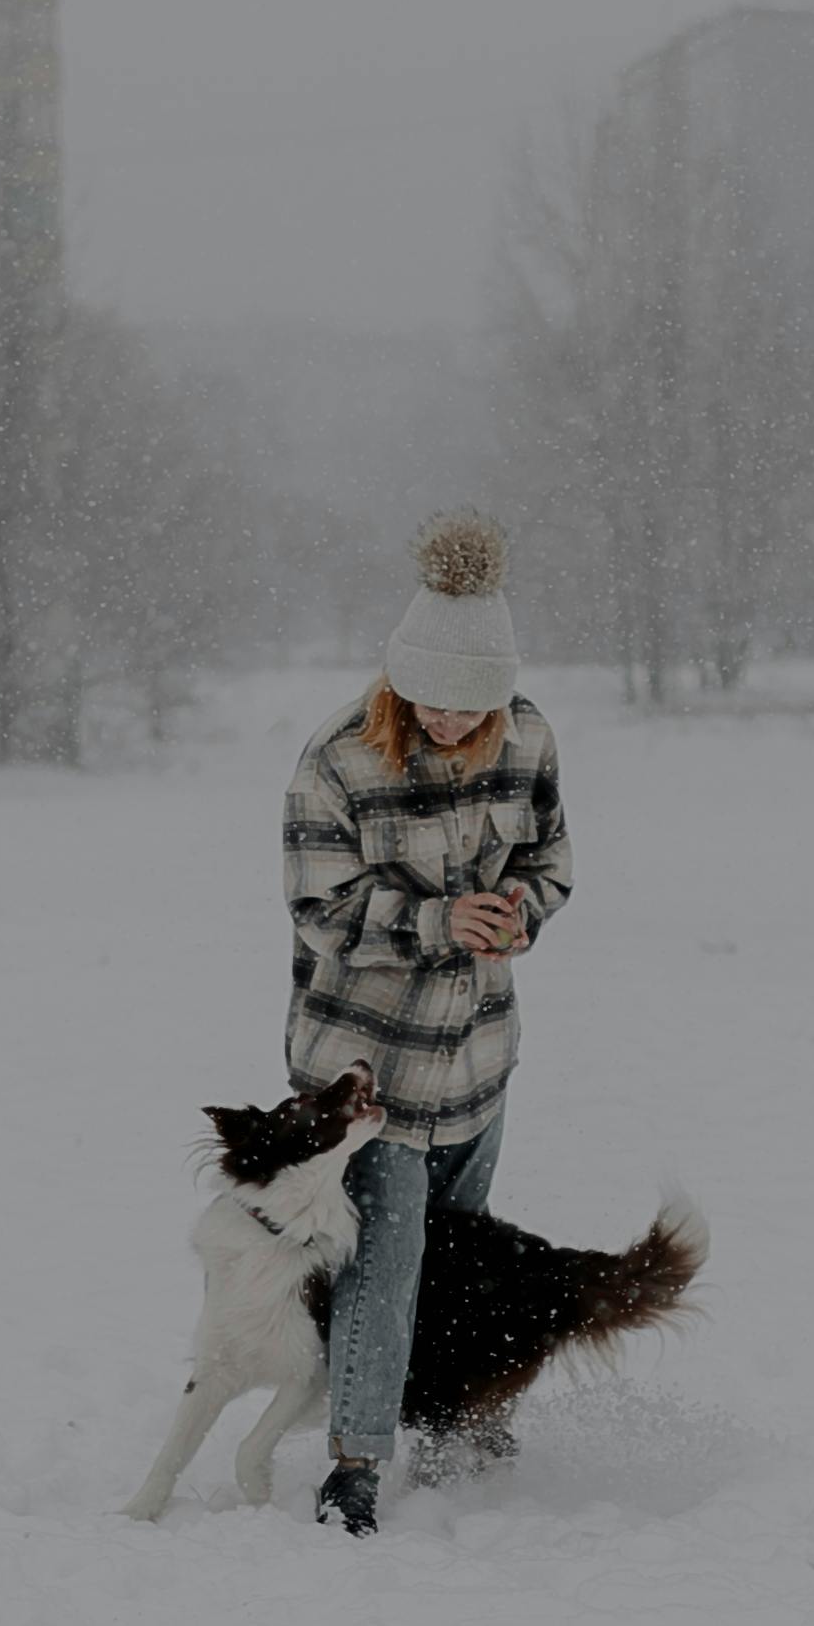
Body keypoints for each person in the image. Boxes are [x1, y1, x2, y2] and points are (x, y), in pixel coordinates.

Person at [279, 511, 571, 1536]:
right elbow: (321, 912)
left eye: (470, 706)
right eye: (431, 701)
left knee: (457, 1262)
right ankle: (354, 1462)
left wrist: (521, 916)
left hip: (481, 1058)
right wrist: (437, 919)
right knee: (380, 1268)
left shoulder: (528, 736)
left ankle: (454, 1419)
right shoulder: (338, 760)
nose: (449, 720)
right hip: (366, 1073)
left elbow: (551, 863)